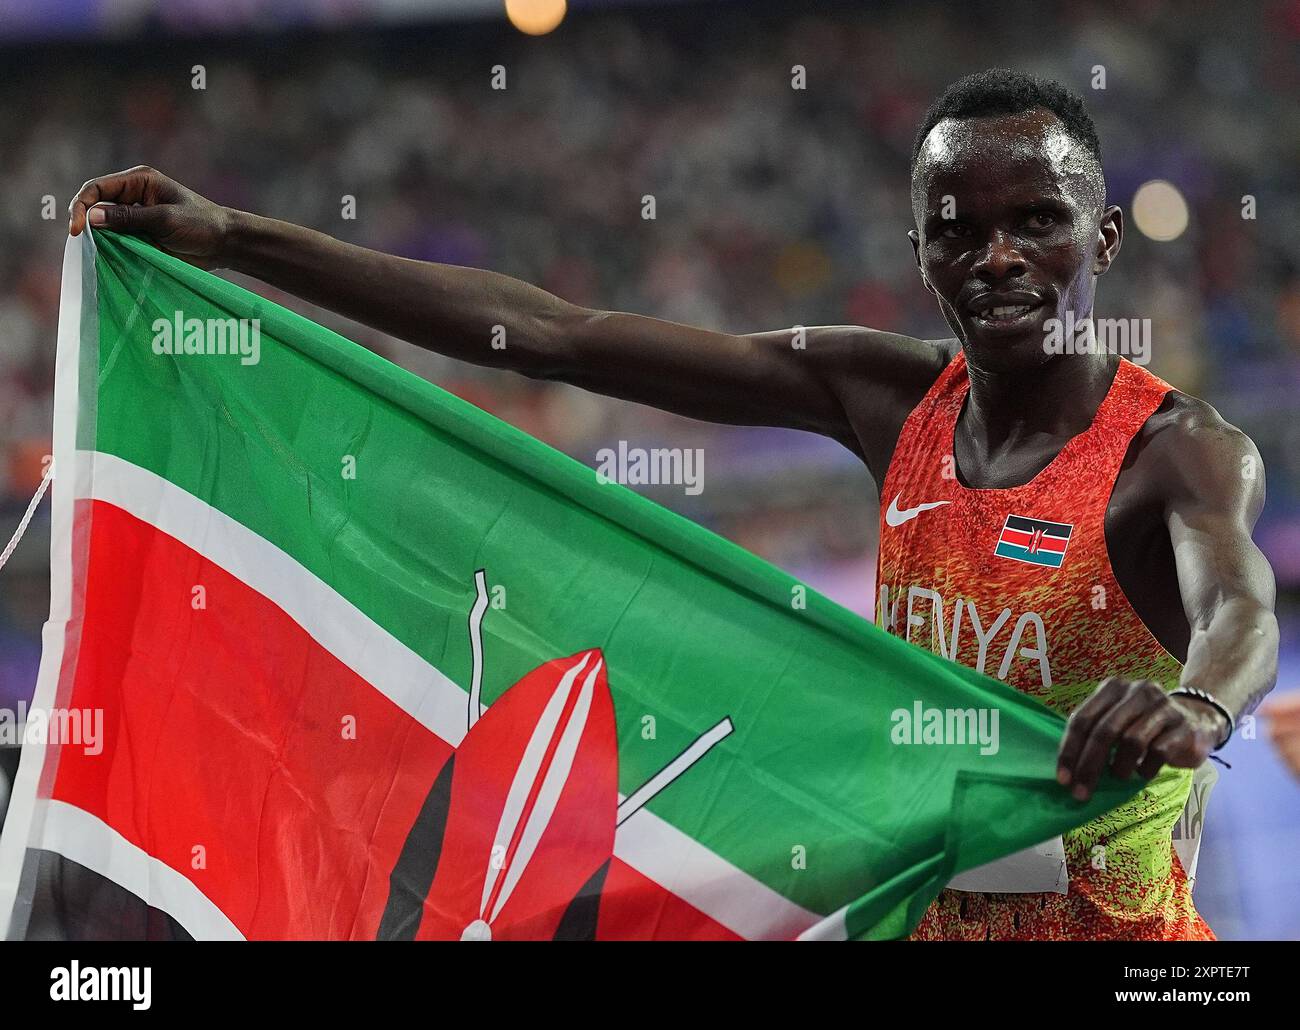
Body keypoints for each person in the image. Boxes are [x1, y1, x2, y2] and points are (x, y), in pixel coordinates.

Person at [67, 68, 1278, 940]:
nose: (998, 256)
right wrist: (237, 238)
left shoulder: (1176, 453)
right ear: (921, 253)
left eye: (1038, 223)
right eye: (958, 230)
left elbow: (1240, 608)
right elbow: (553, 334)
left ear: (1104, 238)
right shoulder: (882, 397)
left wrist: (1195, 707)